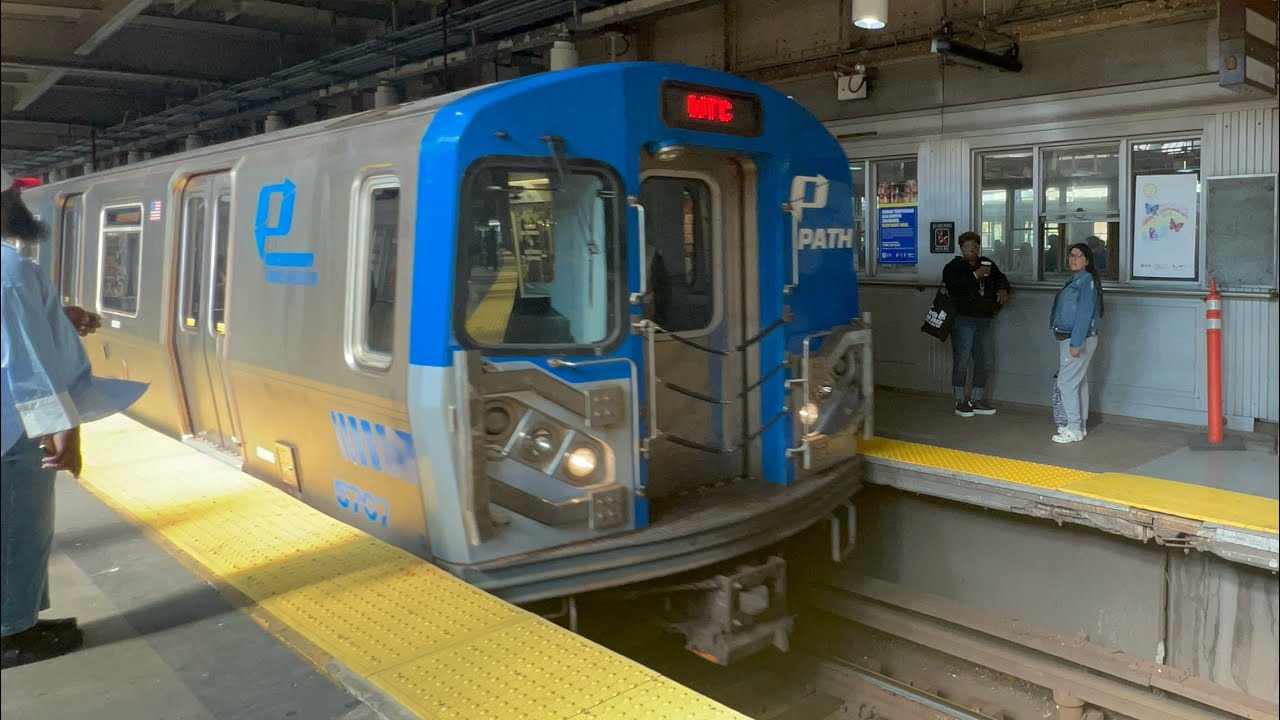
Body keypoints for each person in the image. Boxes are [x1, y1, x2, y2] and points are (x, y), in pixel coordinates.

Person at [1, 168, 147, 669]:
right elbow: (26, 366)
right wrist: (62, 429)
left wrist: (53, 315)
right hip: (12, 429)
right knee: (18, 529)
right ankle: (10, 635)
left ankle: (20, 619)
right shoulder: (11, 271)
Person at [943, 231, 1011, 417]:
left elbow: (1001, 278)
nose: (971, 249)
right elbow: (954, 286)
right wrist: (975, 275)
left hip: (985, 320)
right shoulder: (954, 266)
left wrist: (1003, 289)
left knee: (985, 359)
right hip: (963, 319)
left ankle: (977, 399)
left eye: (974, 246)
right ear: (961, 248)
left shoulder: (987, 263)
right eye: (967, 246)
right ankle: (960, 401)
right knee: (962, 360)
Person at [1049, 242, 1104, 443]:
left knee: (1066, 382)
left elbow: (1083, 314)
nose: (1073, 259)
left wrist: (1076, 342)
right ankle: (1079, 426)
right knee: (1078, 382)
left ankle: (1073, 428)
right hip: (1073, 337)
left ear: (1087, 260)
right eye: (1071, 255)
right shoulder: (1078, 280)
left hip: (1077, 338)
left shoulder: (1085, 281)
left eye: (1078, 255)